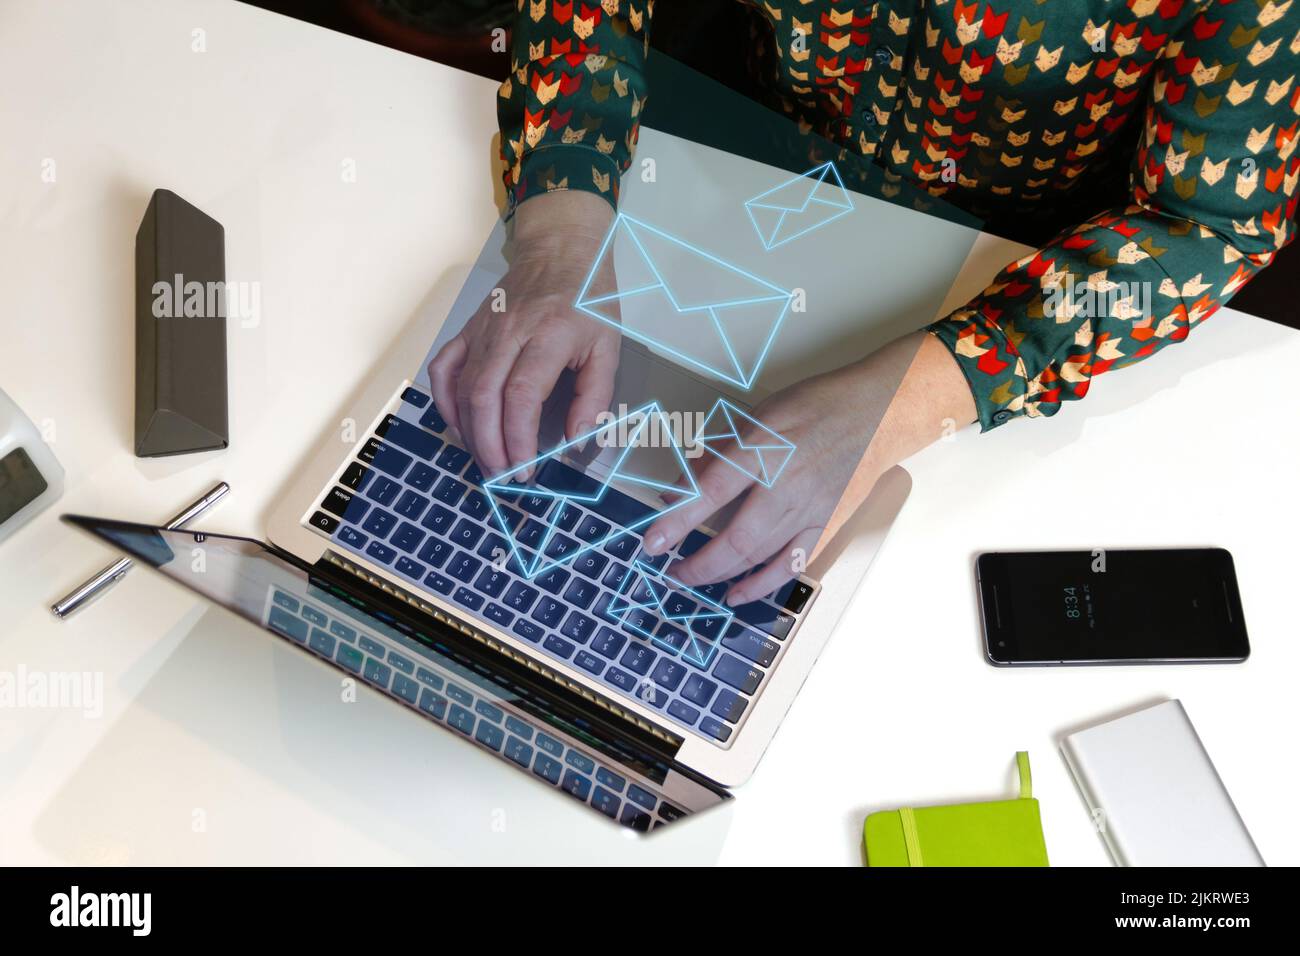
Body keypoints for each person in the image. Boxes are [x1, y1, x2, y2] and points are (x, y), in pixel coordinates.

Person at [430, 0, 1297, 605]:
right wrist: (558, 233)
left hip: (1018, 260)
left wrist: (911, 401)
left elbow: (1209, 223)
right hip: (749, 159)